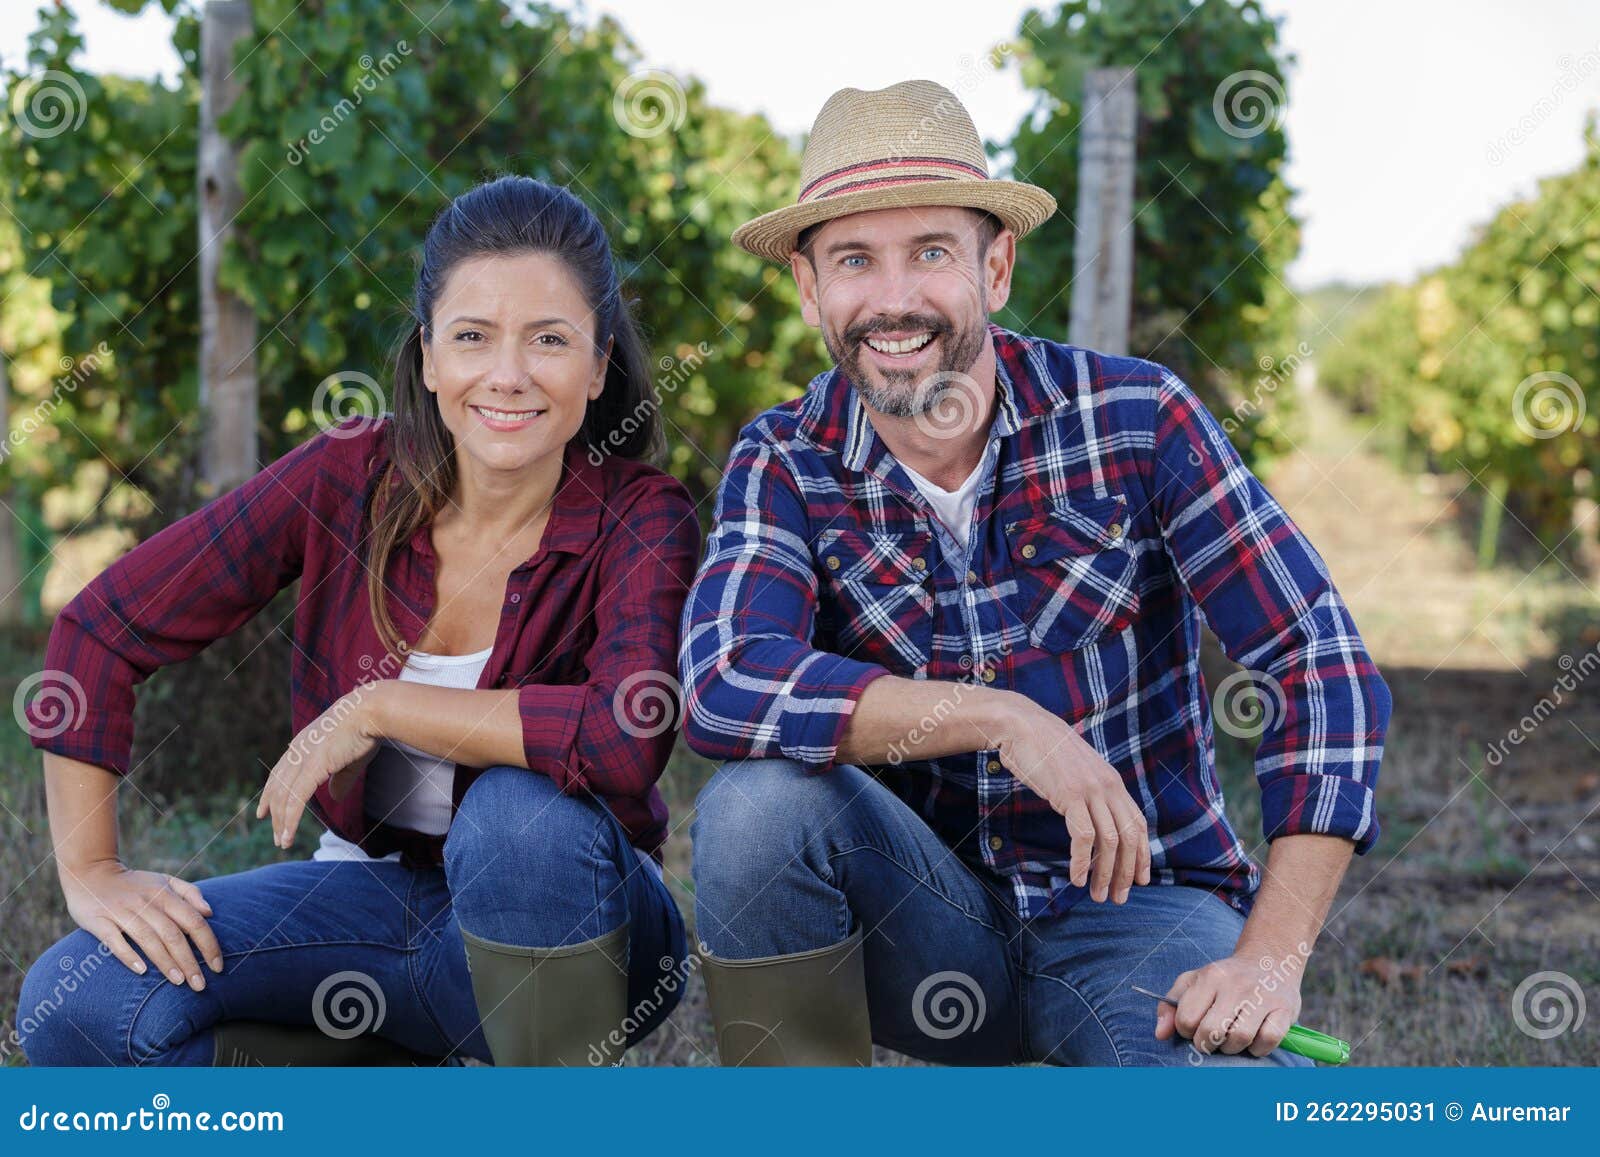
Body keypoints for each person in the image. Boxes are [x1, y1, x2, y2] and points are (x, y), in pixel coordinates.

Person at [679, 80, 1391, 1066]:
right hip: (925, 924)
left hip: (1139, 912)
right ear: (809, 287)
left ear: (997, 266)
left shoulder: (1140, 419)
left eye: (930, 251)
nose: (891, 299)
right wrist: (1006, 717)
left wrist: (1268, 957)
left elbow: (1319, 662)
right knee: (754, 810)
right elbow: (726, 683)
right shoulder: (784, 458)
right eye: (853, 259)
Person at [18, 175, 699, 1067]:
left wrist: (378, 708)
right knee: (75, 1005)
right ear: (427, 357)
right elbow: (100, 627)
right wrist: (92, 872)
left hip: (580, 923)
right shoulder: (350, 477)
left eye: (549, 340)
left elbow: (621, 737)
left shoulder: (644, 515)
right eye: (471, 337)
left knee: (516, 817)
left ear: (600, 363)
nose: (507, 374)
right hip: (371, 904)